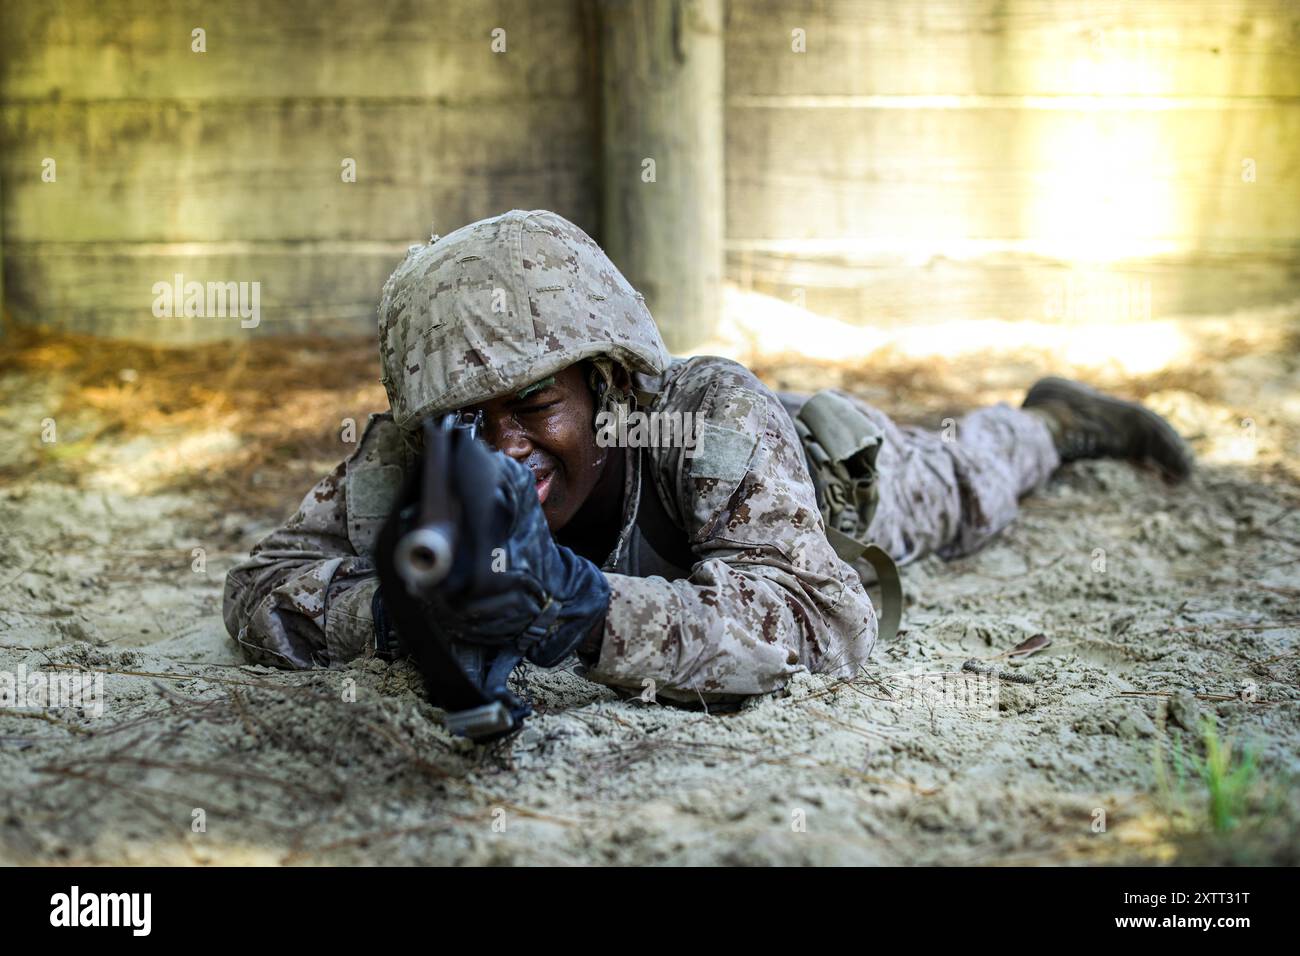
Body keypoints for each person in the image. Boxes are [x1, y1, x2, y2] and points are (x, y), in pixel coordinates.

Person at [223, 209, 1192, 707]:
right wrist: (398, 614)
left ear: (605, 386)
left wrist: (581, 605)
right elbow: (262, 585)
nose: (505, 449)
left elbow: (826, 620)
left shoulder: (698, 417)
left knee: (971, 482)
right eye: (467, 422)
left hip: (830, 485)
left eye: (533, 404)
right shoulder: (407, 457)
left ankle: (1055, 422)